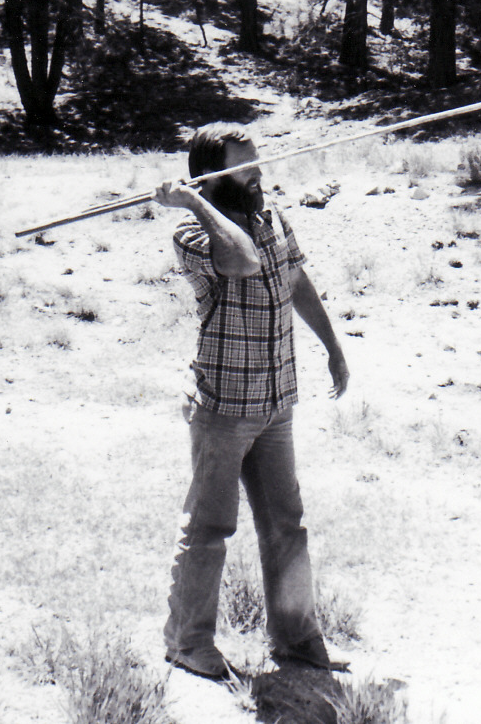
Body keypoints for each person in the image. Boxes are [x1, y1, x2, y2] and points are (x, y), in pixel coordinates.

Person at [153, 122, 349, 681]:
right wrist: (193, 200)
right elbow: (240, 261)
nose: (259, 170)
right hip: (224, 404)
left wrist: (332, 345)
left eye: (257, 159)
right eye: (244, 164)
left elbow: (292, 279)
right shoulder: (194, 234)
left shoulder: (270, 215)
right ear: (212, 176)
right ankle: (188, 642)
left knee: (288, 525)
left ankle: (296, 638)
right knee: (210, 527)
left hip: (276, 397)